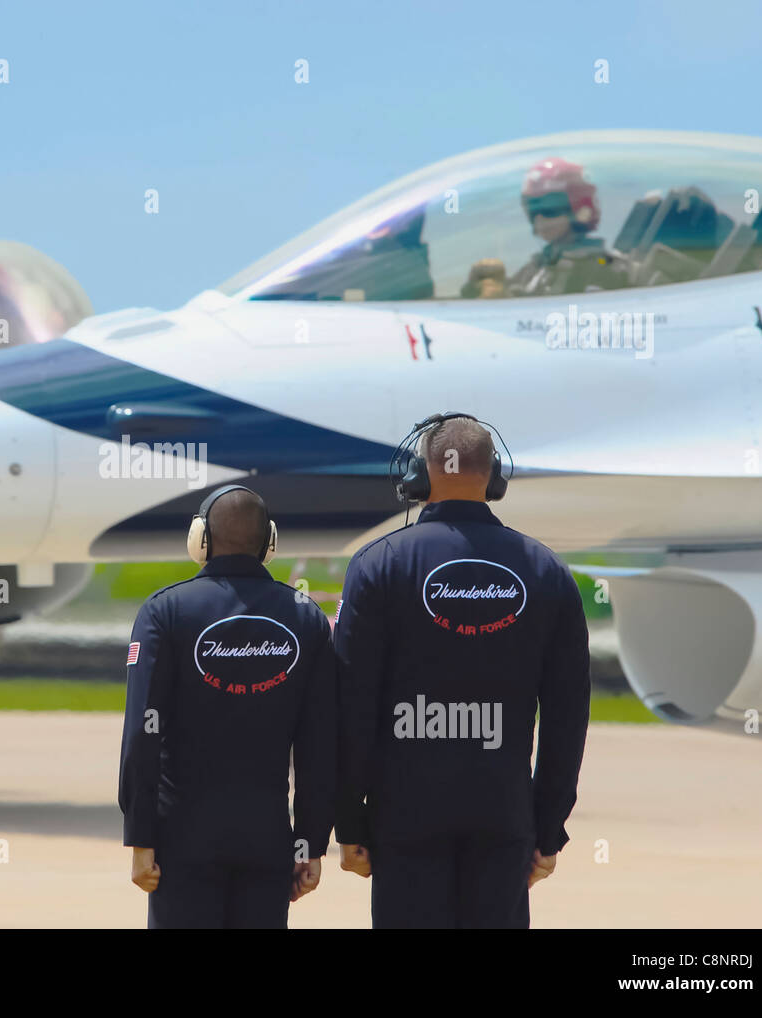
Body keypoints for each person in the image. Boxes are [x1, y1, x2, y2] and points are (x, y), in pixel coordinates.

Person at [334, 413, 590, 928]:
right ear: (494, 477)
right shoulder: (547, 571)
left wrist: (349, 821)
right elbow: (568, 715)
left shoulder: (377, 564)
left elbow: (351, 703)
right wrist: (547, 828)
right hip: (502, 815)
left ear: (421, 475)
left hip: (404, 814)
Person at [118, 484, 336, 928]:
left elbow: (143, 730)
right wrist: (309, 843)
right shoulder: (306, 618)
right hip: (267, 839)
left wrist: (140, 837)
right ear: (269, 543)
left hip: (182, 838)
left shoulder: (164, 612)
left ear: (200, 540)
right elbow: (320, 746)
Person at [505, 156, 631, 296]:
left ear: (580, 208)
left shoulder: (601, 261)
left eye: (550, 209)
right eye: (533, 212)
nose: (540, 220)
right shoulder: (536, 268)